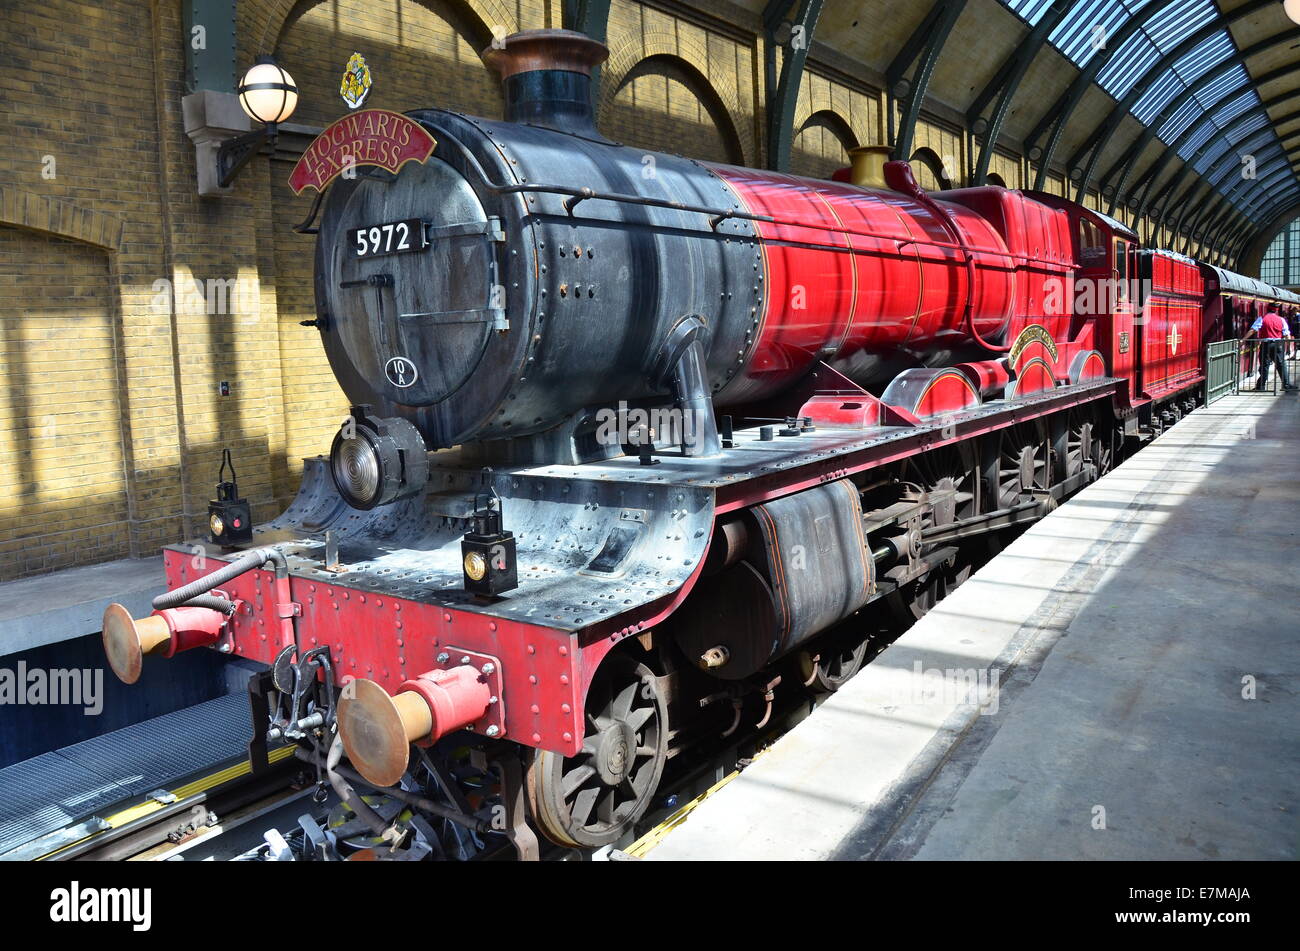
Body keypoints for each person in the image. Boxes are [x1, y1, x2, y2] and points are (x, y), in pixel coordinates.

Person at [1244, 308, 1296, 391]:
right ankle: (1286, 385)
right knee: (1281, 365)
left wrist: (1243, 340)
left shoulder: (1262, 318)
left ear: (1267, 310)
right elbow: (1286, 333)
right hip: (1278, 345)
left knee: (1264, 365)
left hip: (1266, 344)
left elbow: (1253, 330)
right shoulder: (1281, 319)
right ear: (1275, 311)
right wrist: (1289, 345)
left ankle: (1261, 386)